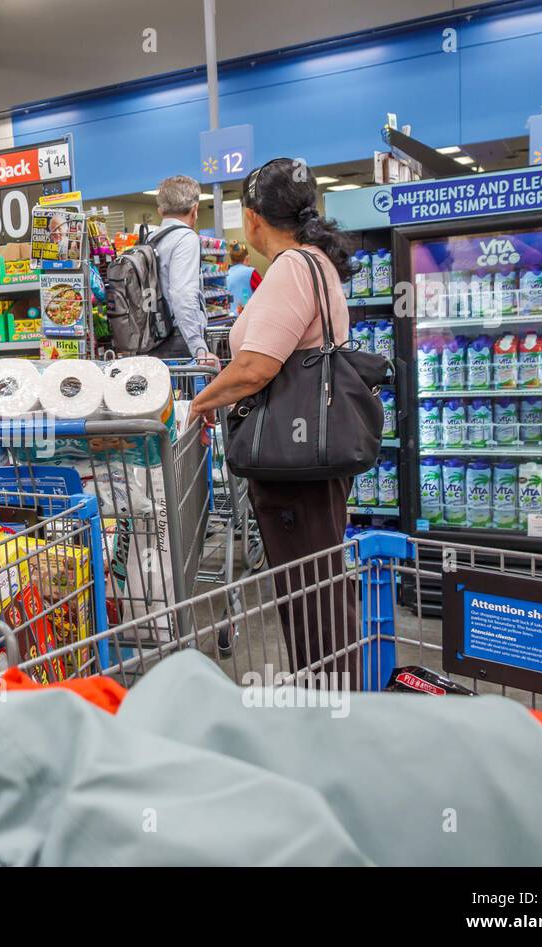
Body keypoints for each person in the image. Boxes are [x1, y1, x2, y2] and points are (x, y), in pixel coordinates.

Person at [189, 158, 359, 680]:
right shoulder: (317, 262)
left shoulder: (291, 267)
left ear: (253, 217)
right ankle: (334, 696)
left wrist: (200, 403)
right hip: (315, 451)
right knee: (321, 586)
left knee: (310, 597)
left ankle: (327, 707)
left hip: (292, 460)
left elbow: (255, 367)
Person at [146, 175, 215, 364]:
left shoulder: (150, 239)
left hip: (152, 337)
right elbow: (182, 294)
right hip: (178, 339)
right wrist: (198, 348)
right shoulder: (186, 238)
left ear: (161, 211)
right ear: (195, 209)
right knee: (189, 393)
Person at [225, 241, 261, 314]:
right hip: (248, 315)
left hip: (231, 316)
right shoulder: (251, 272)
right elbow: (264, 293)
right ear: (247, 258)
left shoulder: (226, 274)